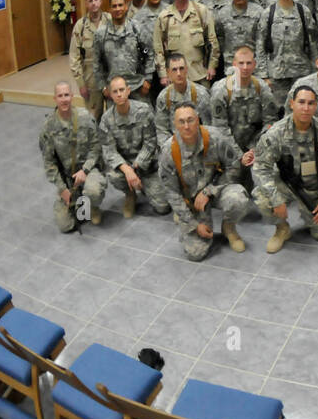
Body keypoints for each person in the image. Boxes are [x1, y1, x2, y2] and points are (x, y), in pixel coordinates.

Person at [251, 85, 318, 252]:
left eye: (310, 103)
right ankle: (282, 228)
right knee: (262, 197)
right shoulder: (276, 133)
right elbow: (260, 167)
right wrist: (276, 200)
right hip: (287, 185)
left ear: (315, 106)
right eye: (301, 102)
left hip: (315, 189)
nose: (306, 108)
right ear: (292, 104)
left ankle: (310, 214)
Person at [158, 102, 251, 259]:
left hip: (214, 190)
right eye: (181, 122)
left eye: (190, 120)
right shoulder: (169, 151)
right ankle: (185, 218)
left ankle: (228, 228)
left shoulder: (215, 138)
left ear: (198, 119)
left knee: (238, 198)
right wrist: (194, 225)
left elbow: (234, 166)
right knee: (196, 253)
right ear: (175, 124)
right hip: (190, 201)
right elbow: (171, 193)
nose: (186, 126)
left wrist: (209, 191)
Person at [99, 75, 169, 219]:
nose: (119, 94)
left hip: (147, 165)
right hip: (125, 166)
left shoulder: (144, 111)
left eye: (122, 90)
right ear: (110, 94)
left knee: (163, 207)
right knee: (113, 175)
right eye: (115, 91)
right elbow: (109, 151)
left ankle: (144, 185)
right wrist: (128, 170)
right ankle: (130, 194)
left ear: (128, 90)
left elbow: (151, 143)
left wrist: (136, 167)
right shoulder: (106, 120)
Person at [39, 81, 106, 231]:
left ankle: (92, 206)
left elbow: (96, 147)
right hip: (68, 177)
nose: (64, 99)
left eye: (66, 95)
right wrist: (62, 188)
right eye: (60, 96)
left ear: (72, 96)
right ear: (55, 99)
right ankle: (76, 200)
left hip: (88, 170)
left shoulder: (85, 117)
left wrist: (85, 170)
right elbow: (49, 163)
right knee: (66, 226)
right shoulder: (48, 127)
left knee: (93, 191)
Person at [209, 46, 278, 178]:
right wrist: (240, 155)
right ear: (234, 64)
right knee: (230, 183)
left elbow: (270, 122)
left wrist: (256, 150)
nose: (245, 67)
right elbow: (220, 130)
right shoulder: (221, 90)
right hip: (228, 148)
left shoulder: (262, 88)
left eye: (248, 63)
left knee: (271, 175)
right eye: (241, 63)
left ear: (254, 65)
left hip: (256, 148)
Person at [154, 0, 220, 88]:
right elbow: (158, 48)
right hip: (175, 76)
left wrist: (212, 66)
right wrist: (163, 74)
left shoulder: (201, 12)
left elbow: (212, 41)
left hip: (200, 73)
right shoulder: (164, 16)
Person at [95, 0, 151, 104]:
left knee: (144, 114)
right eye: (114, 6)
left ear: (126, 7)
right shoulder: (101, 34)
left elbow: (149, 53)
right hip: (114, 89)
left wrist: (148, 79)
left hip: (138, 85)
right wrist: (103, 87)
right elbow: (97, 62)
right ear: (110, 9)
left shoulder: (137, 28)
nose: (117, 9)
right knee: (115, 116)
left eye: (120, 5)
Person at [154, 53, 212, 144]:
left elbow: (209, 128)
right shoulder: (164, 97)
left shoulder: (201, 94)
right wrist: (171, 148)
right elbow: (162, 130)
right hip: (174, 144)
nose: (178, 73)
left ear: (186, 70)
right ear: (168, 72)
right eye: (174, 69)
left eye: (181, 68)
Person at [218, 0, 267, 75]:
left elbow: (261, 42)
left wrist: (262, 71)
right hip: (231, 66)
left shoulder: (258, 12)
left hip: (254, 66)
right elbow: (220, 39)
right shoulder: (222, 14)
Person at [69, 0, 106, 120]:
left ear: (101, 1)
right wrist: (81, 84)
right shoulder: (81, 26)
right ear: (86, 4)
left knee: (114, 115)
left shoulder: (110, 20)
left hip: (110, 77)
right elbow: (74, 57)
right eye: (90, 1)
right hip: (91, 80)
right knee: (93, 117)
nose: (94, 3)